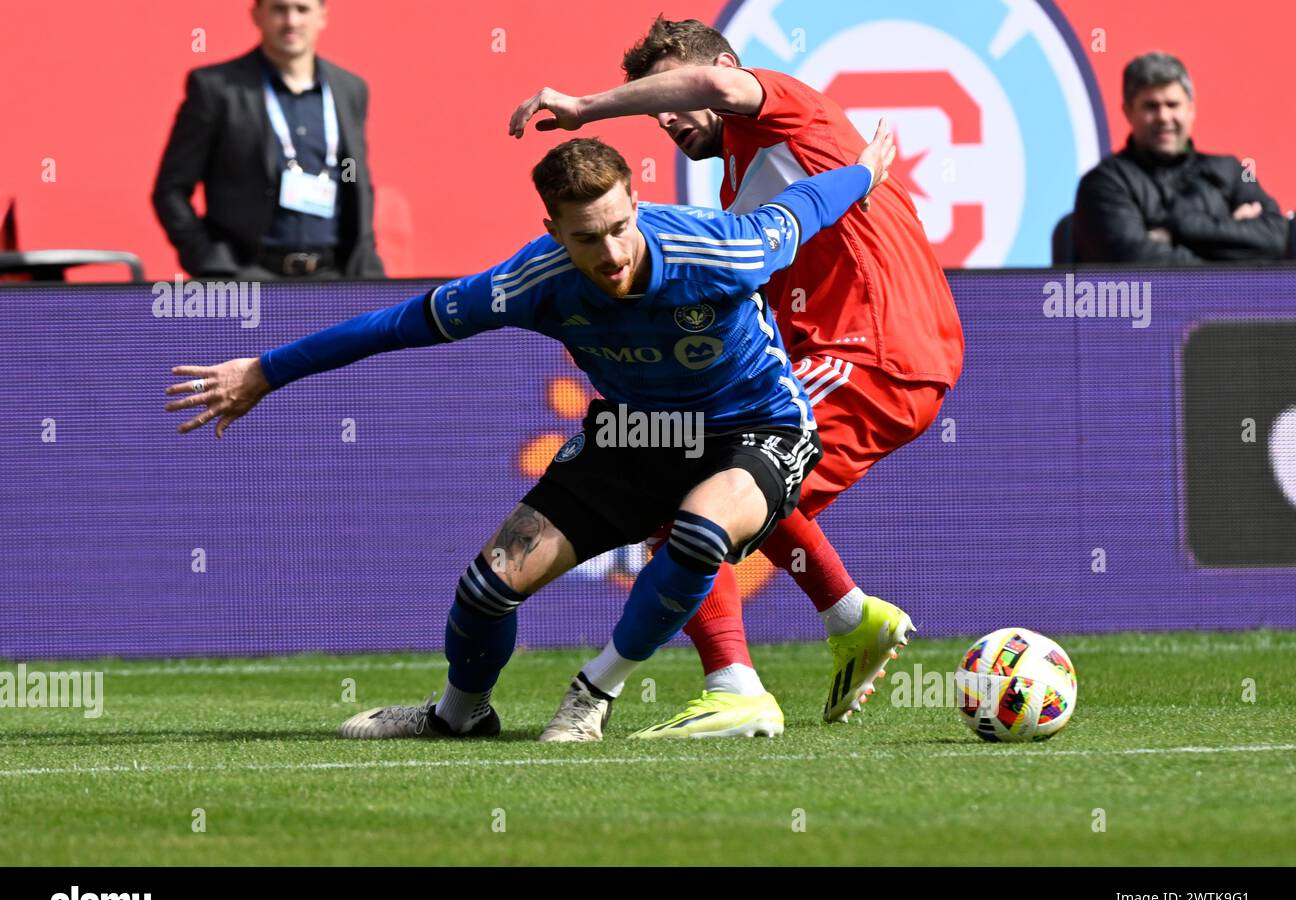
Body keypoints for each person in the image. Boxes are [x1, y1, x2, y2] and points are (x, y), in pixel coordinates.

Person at [163, 133, 895, 743]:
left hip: (756, 426)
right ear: (553, 234)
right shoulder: (532, 281)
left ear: (636, 205)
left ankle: (593, 694)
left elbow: (801, 207)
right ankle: (458, 716)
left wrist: (866, 170)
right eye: (586, 238)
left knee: (701, 534)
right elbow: (396, 325)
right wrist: (265, 370)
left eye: (618, 227)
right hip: (635, 434)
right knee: (486, 589)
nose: (610, 253)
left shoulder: (722, 251)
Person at [508, 16, 963, 736]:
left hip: (873, 350)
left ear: (720, 67)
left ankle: (733, 688)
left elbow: (718, 86)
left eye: (669, 93)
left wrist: (584, 108)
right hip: (849, 354)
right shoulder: (737, 194)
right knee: (715, 483)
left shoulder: (789, 111)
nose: (663, 115)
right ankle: (851, 619)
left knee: (695, 494)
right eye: (653, 104)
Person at [152, 0, 384, 279]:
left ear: (322, 16)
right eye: (279, 9)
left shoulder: (349, 89)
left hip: (333, 276)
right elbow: (171, 189)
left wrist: (365, 264)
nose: (291, 21)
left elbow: (352, 177)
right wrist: (210, 260)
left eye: (302, 9)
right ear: (256, 15)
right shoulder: (216, 89)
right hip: (249, 277)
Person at [1073, 52, 1287, 263]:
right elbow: (1136, 263)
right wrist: (1229, 235)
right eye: (1151, 106)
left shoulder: (1233, 172)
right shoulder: (1104, 183)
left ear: (1191, 109)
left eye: (1172, 105)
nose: (1164, 117)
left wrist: (1176, 229)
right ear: (1128, 111)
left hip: (1239, 299)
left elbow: (1277, 238)